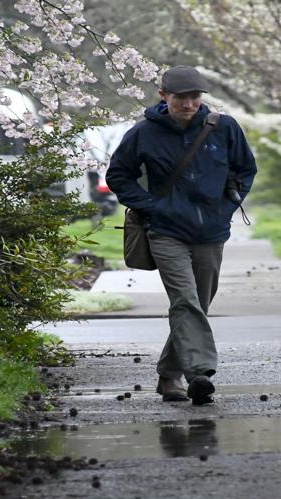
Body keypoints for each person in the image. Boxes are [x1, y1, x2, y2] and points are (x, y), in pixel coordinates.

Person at [105, 66, 258, 404]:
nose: (188, 104)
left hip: (211, 231)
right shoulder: (144, 132)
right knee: (185, 300)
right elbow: (118, 174)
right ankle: (200, 373)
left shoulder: (224, 127)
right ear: (164, 96)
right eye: (180, 98)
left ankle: (168, 375)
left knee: (198, 304)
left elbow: (246, 168)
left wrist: (227, 207)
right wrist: (150, 207)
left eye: (194, 97)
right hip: (166, 231)